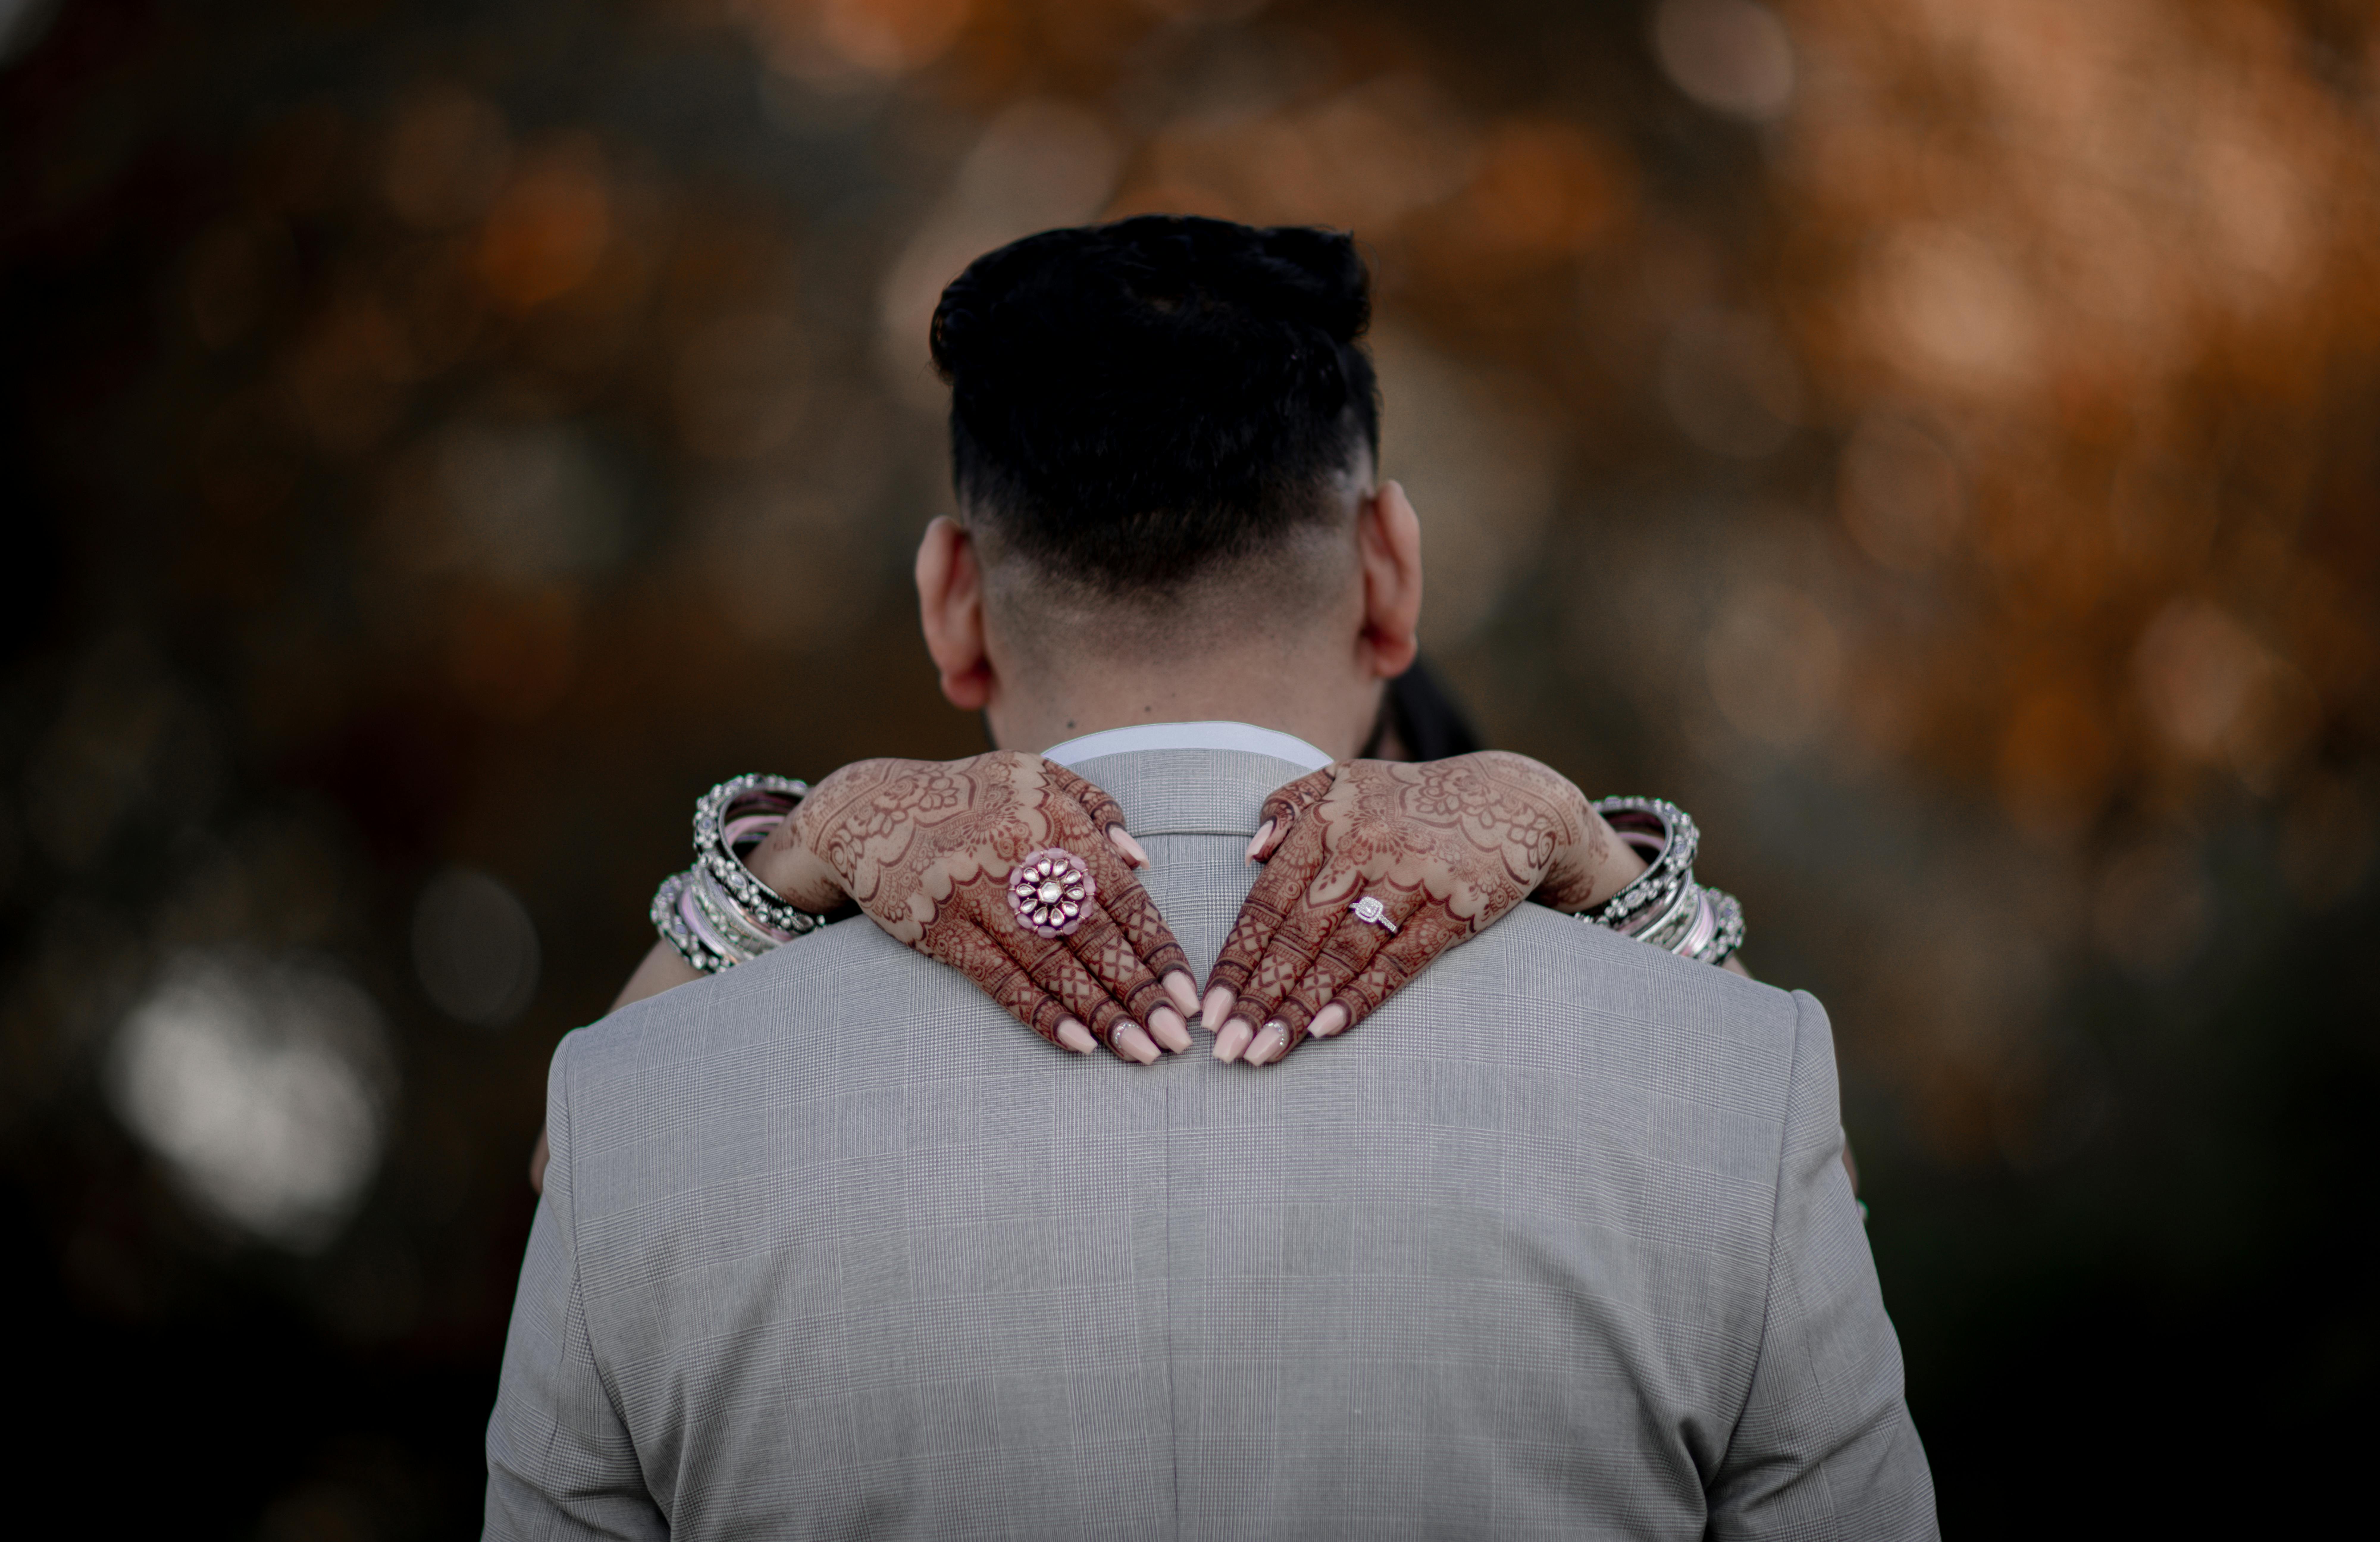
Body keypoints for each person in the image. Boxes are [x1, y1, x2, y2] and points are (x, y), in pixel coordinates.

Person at [485, 215, 1935, 1538]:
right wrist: (1604, 868)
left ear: (950, 598)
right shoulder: (1735, 1081)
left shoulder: (638, 1110)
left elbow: (586, 1159)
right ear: (1389, 574)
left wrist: (788, 859)